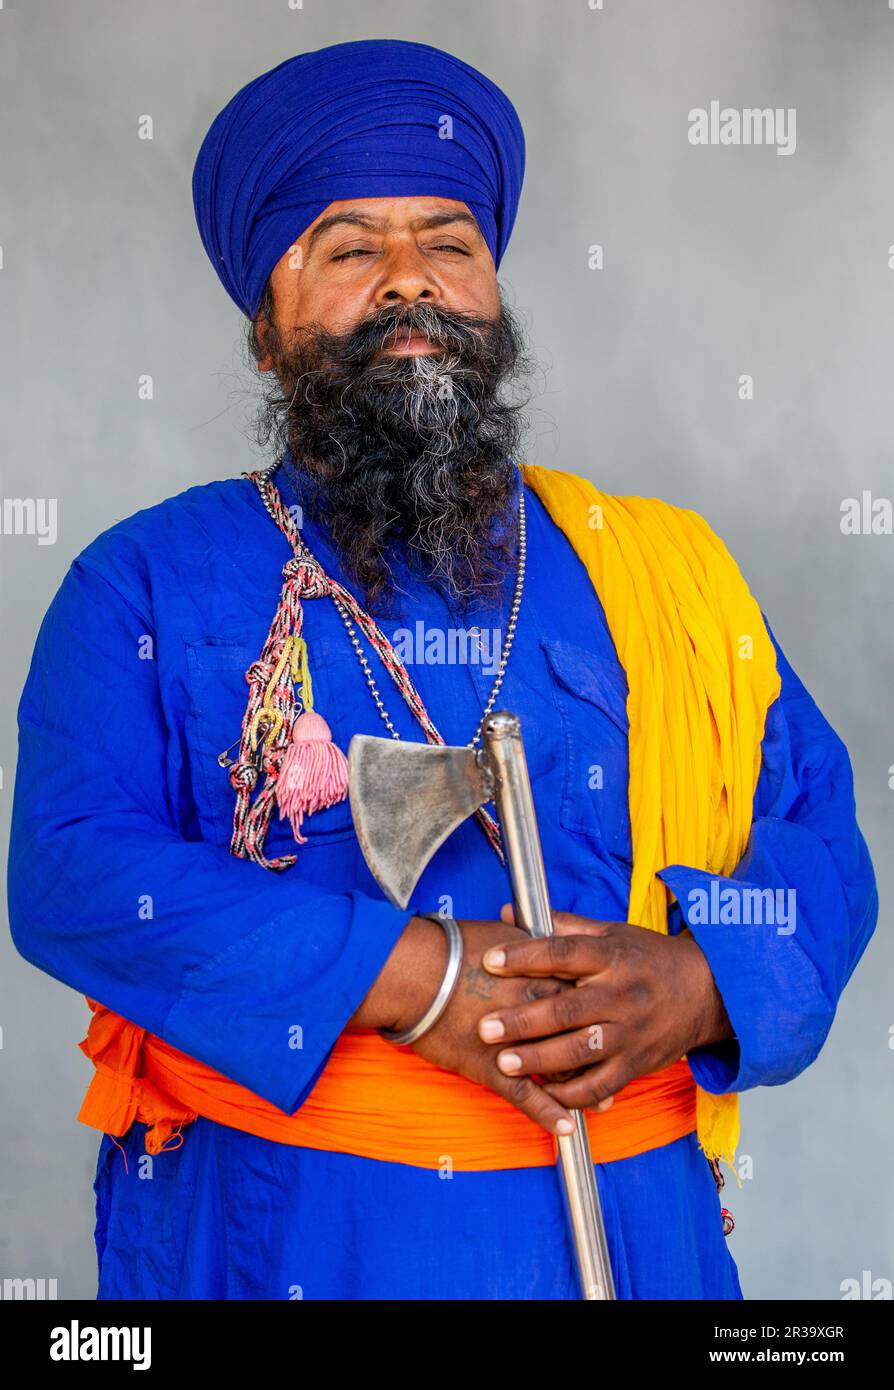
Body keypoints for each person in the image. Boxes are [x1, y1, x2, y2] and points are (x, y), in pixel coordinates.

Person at [8, 38, 877, 1301]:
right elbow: (72, 868)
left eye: (452, 244)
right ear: (267, 328)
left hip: (641, 1244)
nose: (411, 280)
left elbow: (818, 830)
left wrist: (697, 980)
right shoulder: (144, 581)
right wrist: (421, 981)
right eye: (351, 248)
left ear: (496, 301)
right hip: (297, 1245)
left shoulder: (661, 573)